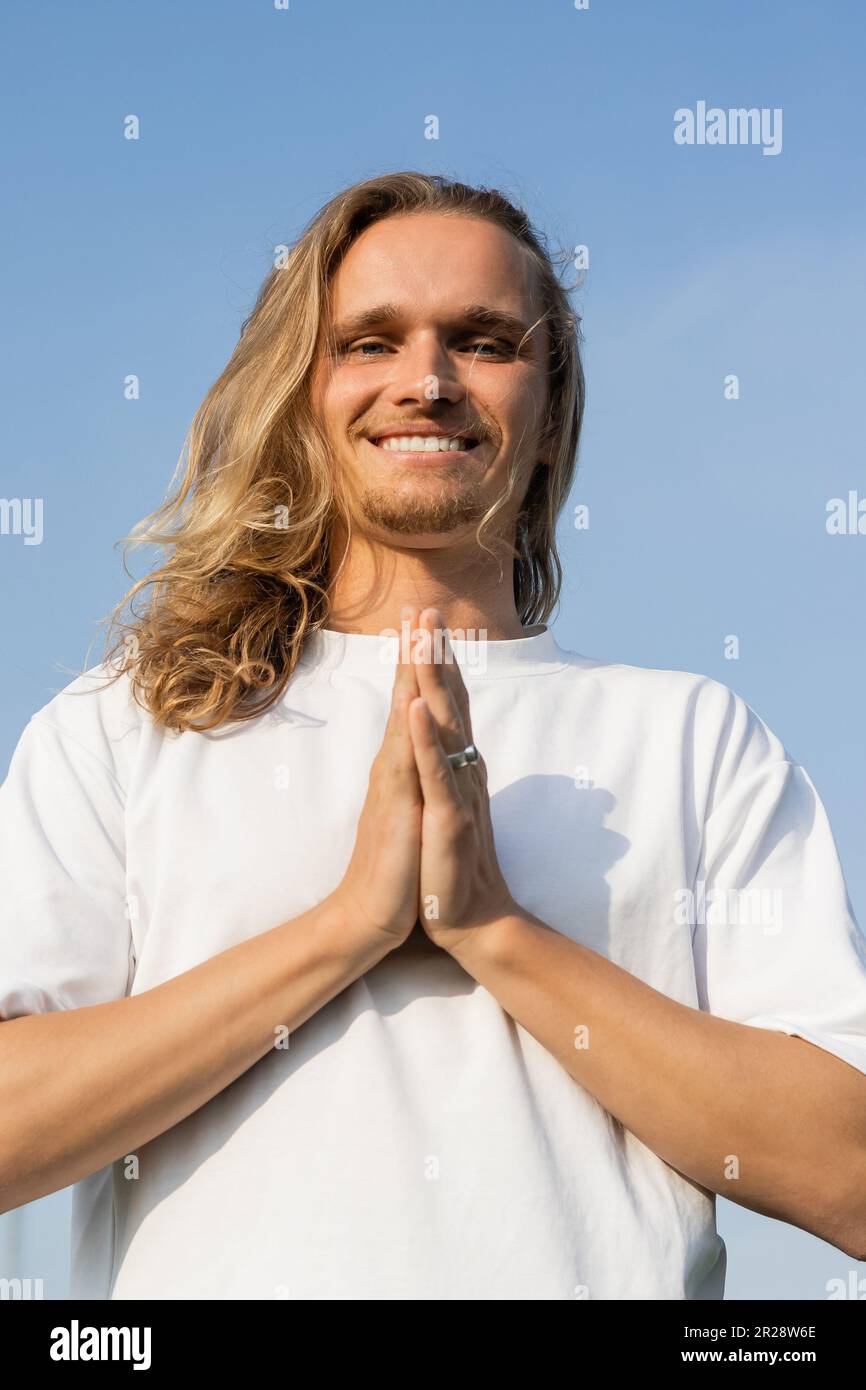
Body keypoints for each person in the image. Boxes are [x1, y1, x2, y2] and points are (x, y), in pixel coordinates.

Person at [1, 172, 865, 1301]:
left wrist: (493, 929)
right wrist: (348, 926)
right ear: (302, 394)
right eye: (368, 342)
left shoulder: (693, 738)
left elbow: (845, 1174)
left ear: (551, 408)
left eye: (483, 340)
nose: (426, 380)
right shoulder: (130, 721)